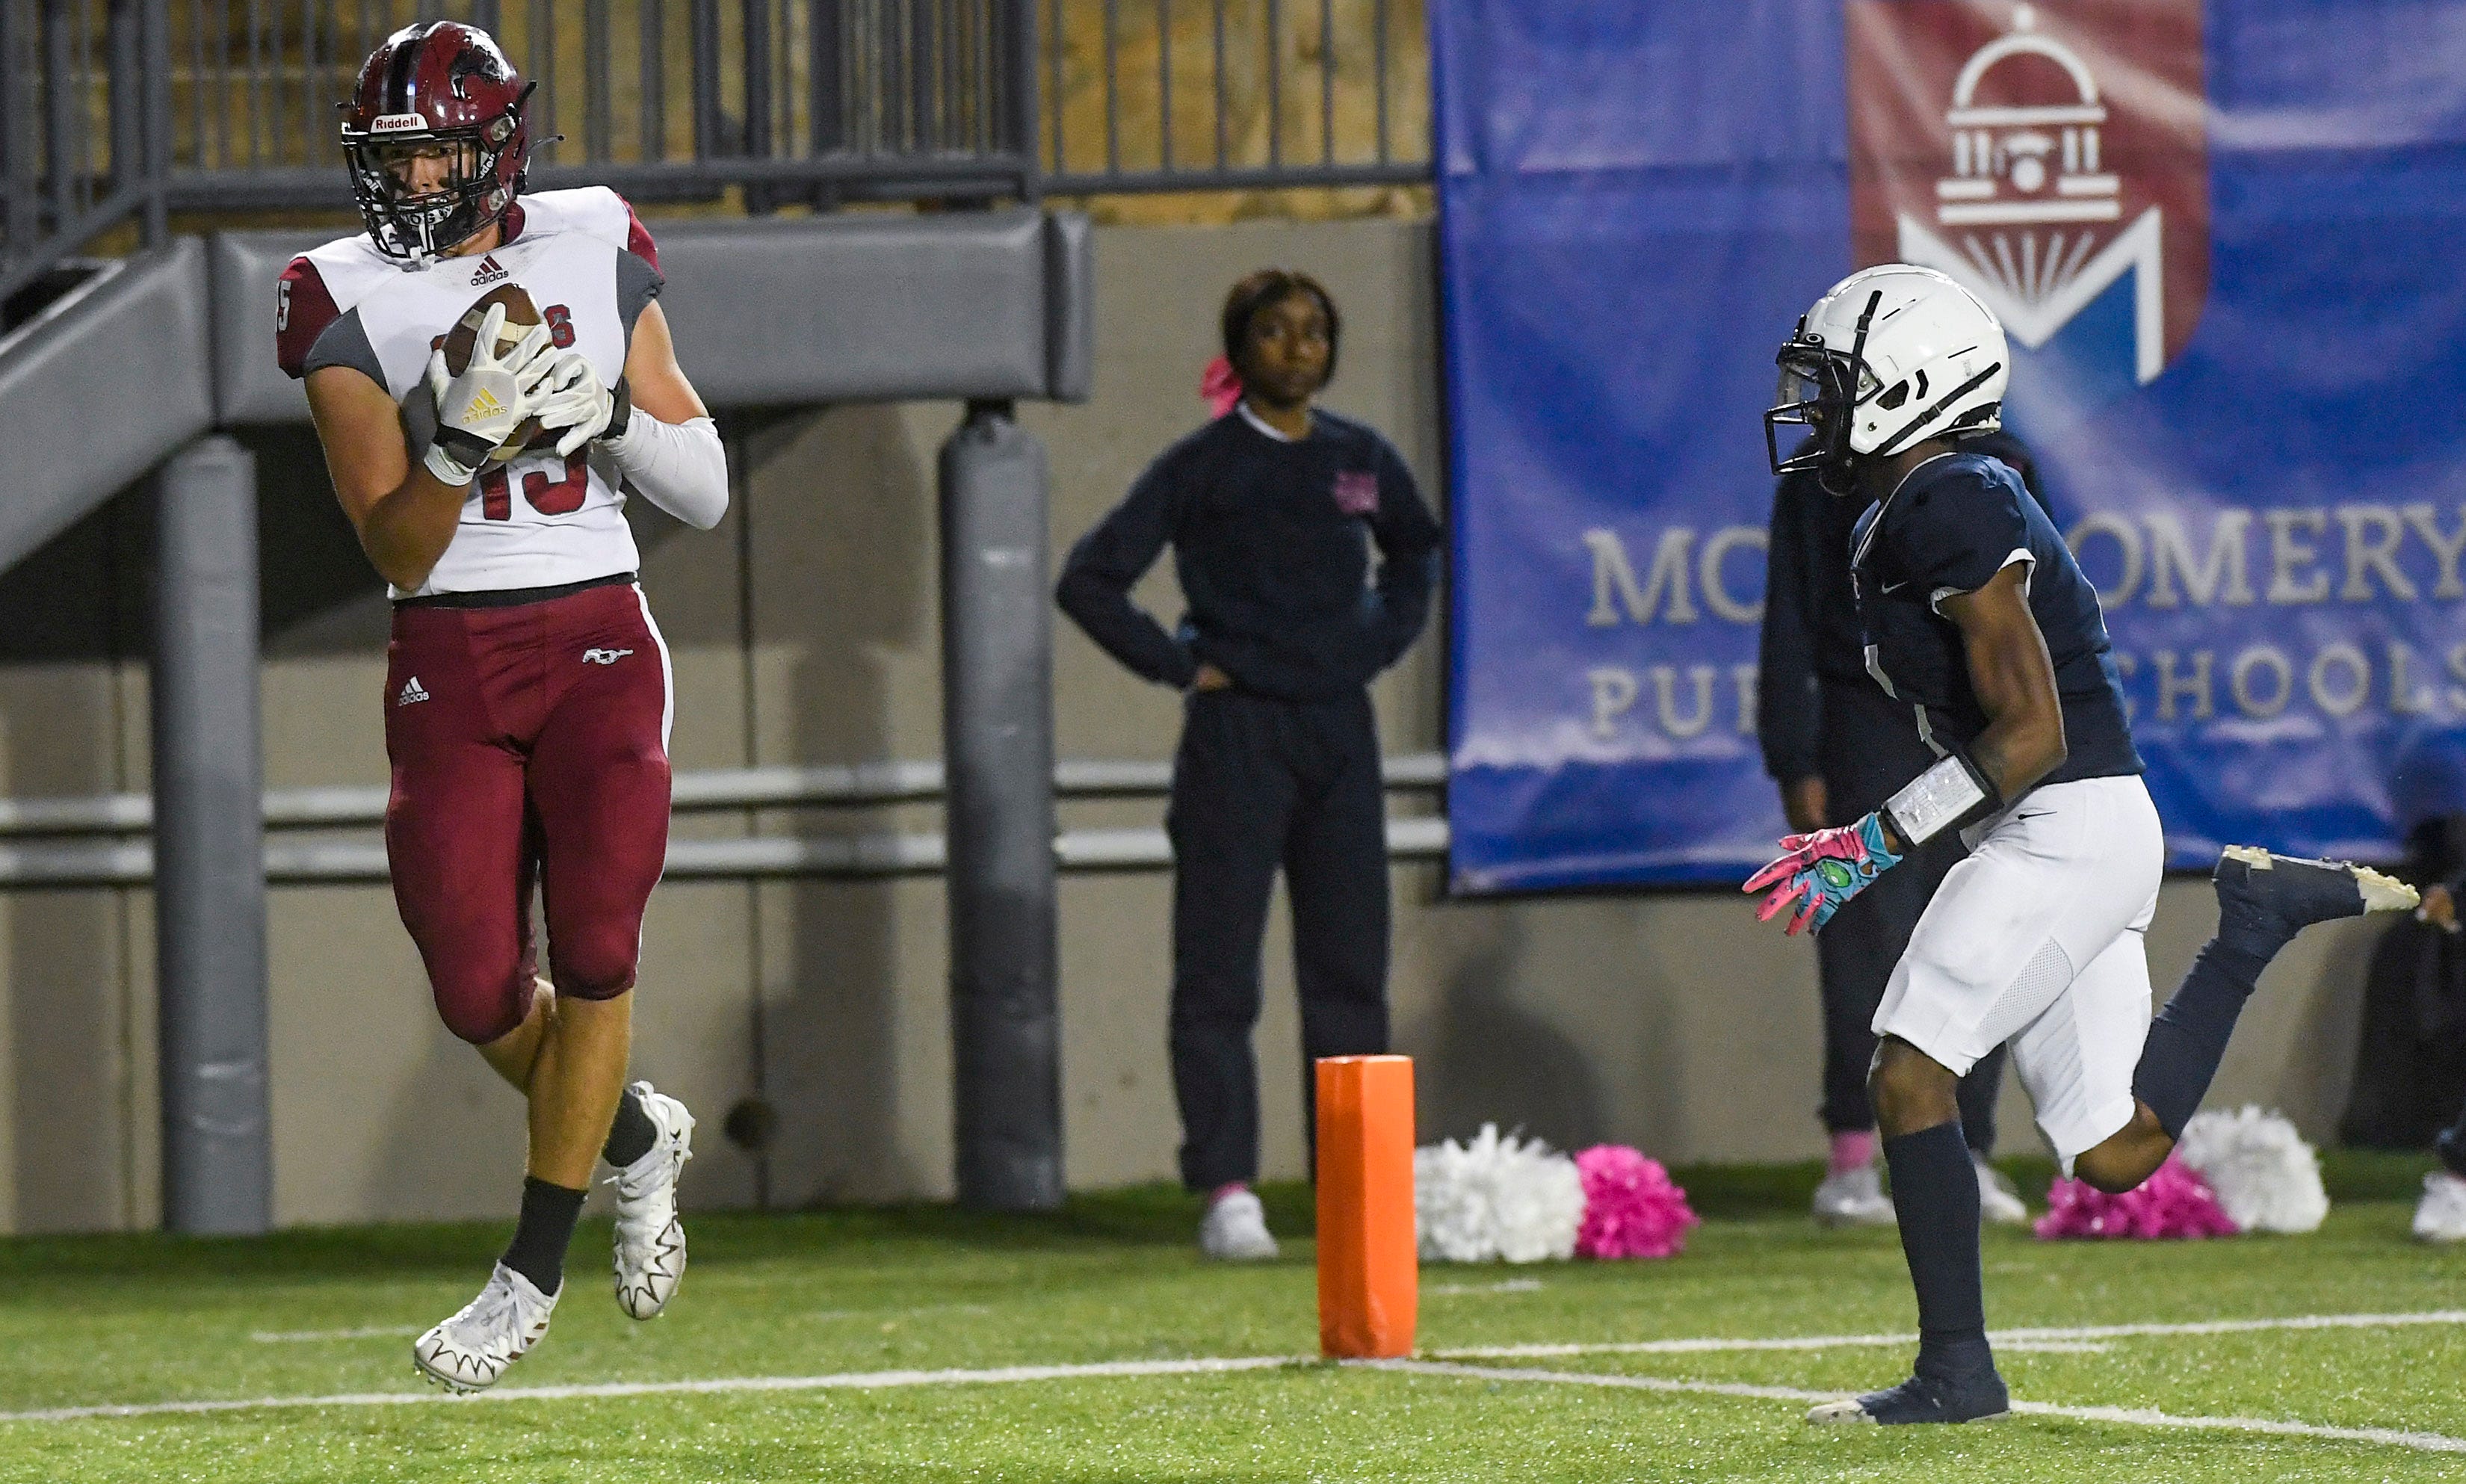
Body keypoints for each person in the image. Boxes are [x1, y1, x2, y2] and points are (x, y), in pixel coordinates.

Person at [1745, 264, 2415, 1426]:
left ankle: (1957, 1372)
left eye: (1834, 383)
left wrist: (1874, 837)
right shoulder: (1925, 500)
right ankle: (2251, 925)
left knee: (1907, 1071)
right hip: (2077, 824)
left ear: (1907, 384)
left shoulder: (1946, 498)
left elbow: (2033, 732)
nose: (1813, 408)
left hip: (2064, 818)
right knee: (2113, 1150)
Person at [277, 21, 729, 1391]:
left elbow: (701, 488)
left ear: (493, 151)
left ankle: (529, 1270)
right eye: (389, 160)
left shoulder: (594, 238)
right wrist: (466, 441)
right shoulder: (328, 289)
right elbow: (397, 546)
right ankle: (636, 1141)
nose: (407, 186)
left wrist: (604, 418)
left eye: (429, 159)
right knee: (479, 986)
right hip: (449, 651)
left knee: (597, 952)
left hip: (596, 620)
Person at [1056, 270, 1441, 1260]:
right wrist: (1181, 665)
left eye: (1317, 331)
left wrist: (1380, 642)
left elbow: (1415, 554)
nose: (1300, 348)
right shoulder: (1202, 466)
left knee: (1350, 970)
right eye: (1276, 332)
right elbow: (1090, 579)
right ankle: (1229, 1188)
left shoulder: (1361, 460)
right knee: (1220, 975)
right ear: (1240, 352)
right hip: (1237, 741)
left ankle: (1352, 1182)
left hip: (1339, 734)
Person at [1761, 429, 2056, 1230]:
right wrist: (1795, 755)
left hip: (1977, 722)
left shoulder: (2007, 465)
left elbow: (2048, 611)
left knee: (1983, 931)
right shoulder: (1825, 476)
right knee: (1867, 934)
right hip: (1869, 720)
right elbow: (1791, 615)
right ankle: (1853, 1156)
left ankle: (1970, 1149)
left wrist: (2042, 734)